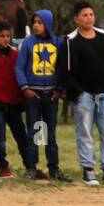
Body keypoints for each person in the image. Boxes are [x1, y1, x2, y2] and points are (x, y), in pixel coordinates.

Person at [57, 1, 104, 187]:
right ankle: (88, 170)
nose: (88, 18)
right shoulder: (70, 41)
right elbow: (65, 71)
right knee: (85, 132)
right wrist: (78, 92)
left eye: (91, 14)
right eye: (84, 15)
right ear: (76, 18)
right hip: (84, 95)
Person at [16, 9, 66, 182]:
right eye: (34, 22)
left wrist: (59, 89)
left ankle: (54, 167)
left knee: (50, 133)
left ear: (48, 24)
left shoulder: (58, 43)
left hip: (51, 95)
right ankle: (32, 167)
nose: (36, 26)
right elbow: (19, 67)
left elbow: (62, 68)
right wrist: (25, 88)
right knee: (35, 131)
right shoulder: (28, 43)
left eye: (40, 22)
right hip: (33, 95)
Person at [0, 24, 30, 178]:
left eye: (8, 36)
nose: (6, 39)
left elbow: (20, 77)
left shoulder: (16, 55)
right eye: (2, 36)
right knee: (0, 137)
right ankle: (3, 166)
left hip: (14, 103)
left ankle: (30, 165)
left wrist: (22, 99)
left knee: (22, 136)